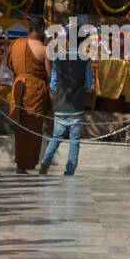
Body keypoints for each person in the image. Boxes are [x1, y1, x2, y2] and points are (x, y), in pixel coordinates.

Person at [38, 41, 94, 176]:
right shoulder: (86, 59)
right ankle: (69, 172)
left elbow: (53, 83)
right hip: (77, 107)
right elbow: (88, 84)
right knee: (74, 142)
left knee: (56, 138)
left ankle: (45, 163)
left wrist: (59, 94)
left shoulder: (58, 58)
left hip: (60, 106)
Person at [8, 15, 51, 173]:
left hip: (18, 88)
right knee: (33, 128)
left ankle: (21, 164)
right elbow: (49, 75)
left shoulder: (16, 44)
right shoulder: (45, 49)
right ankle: (26, 164)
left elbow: (9, 63)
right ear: (41, 29)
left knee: (20, 128)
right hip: (35, 91)